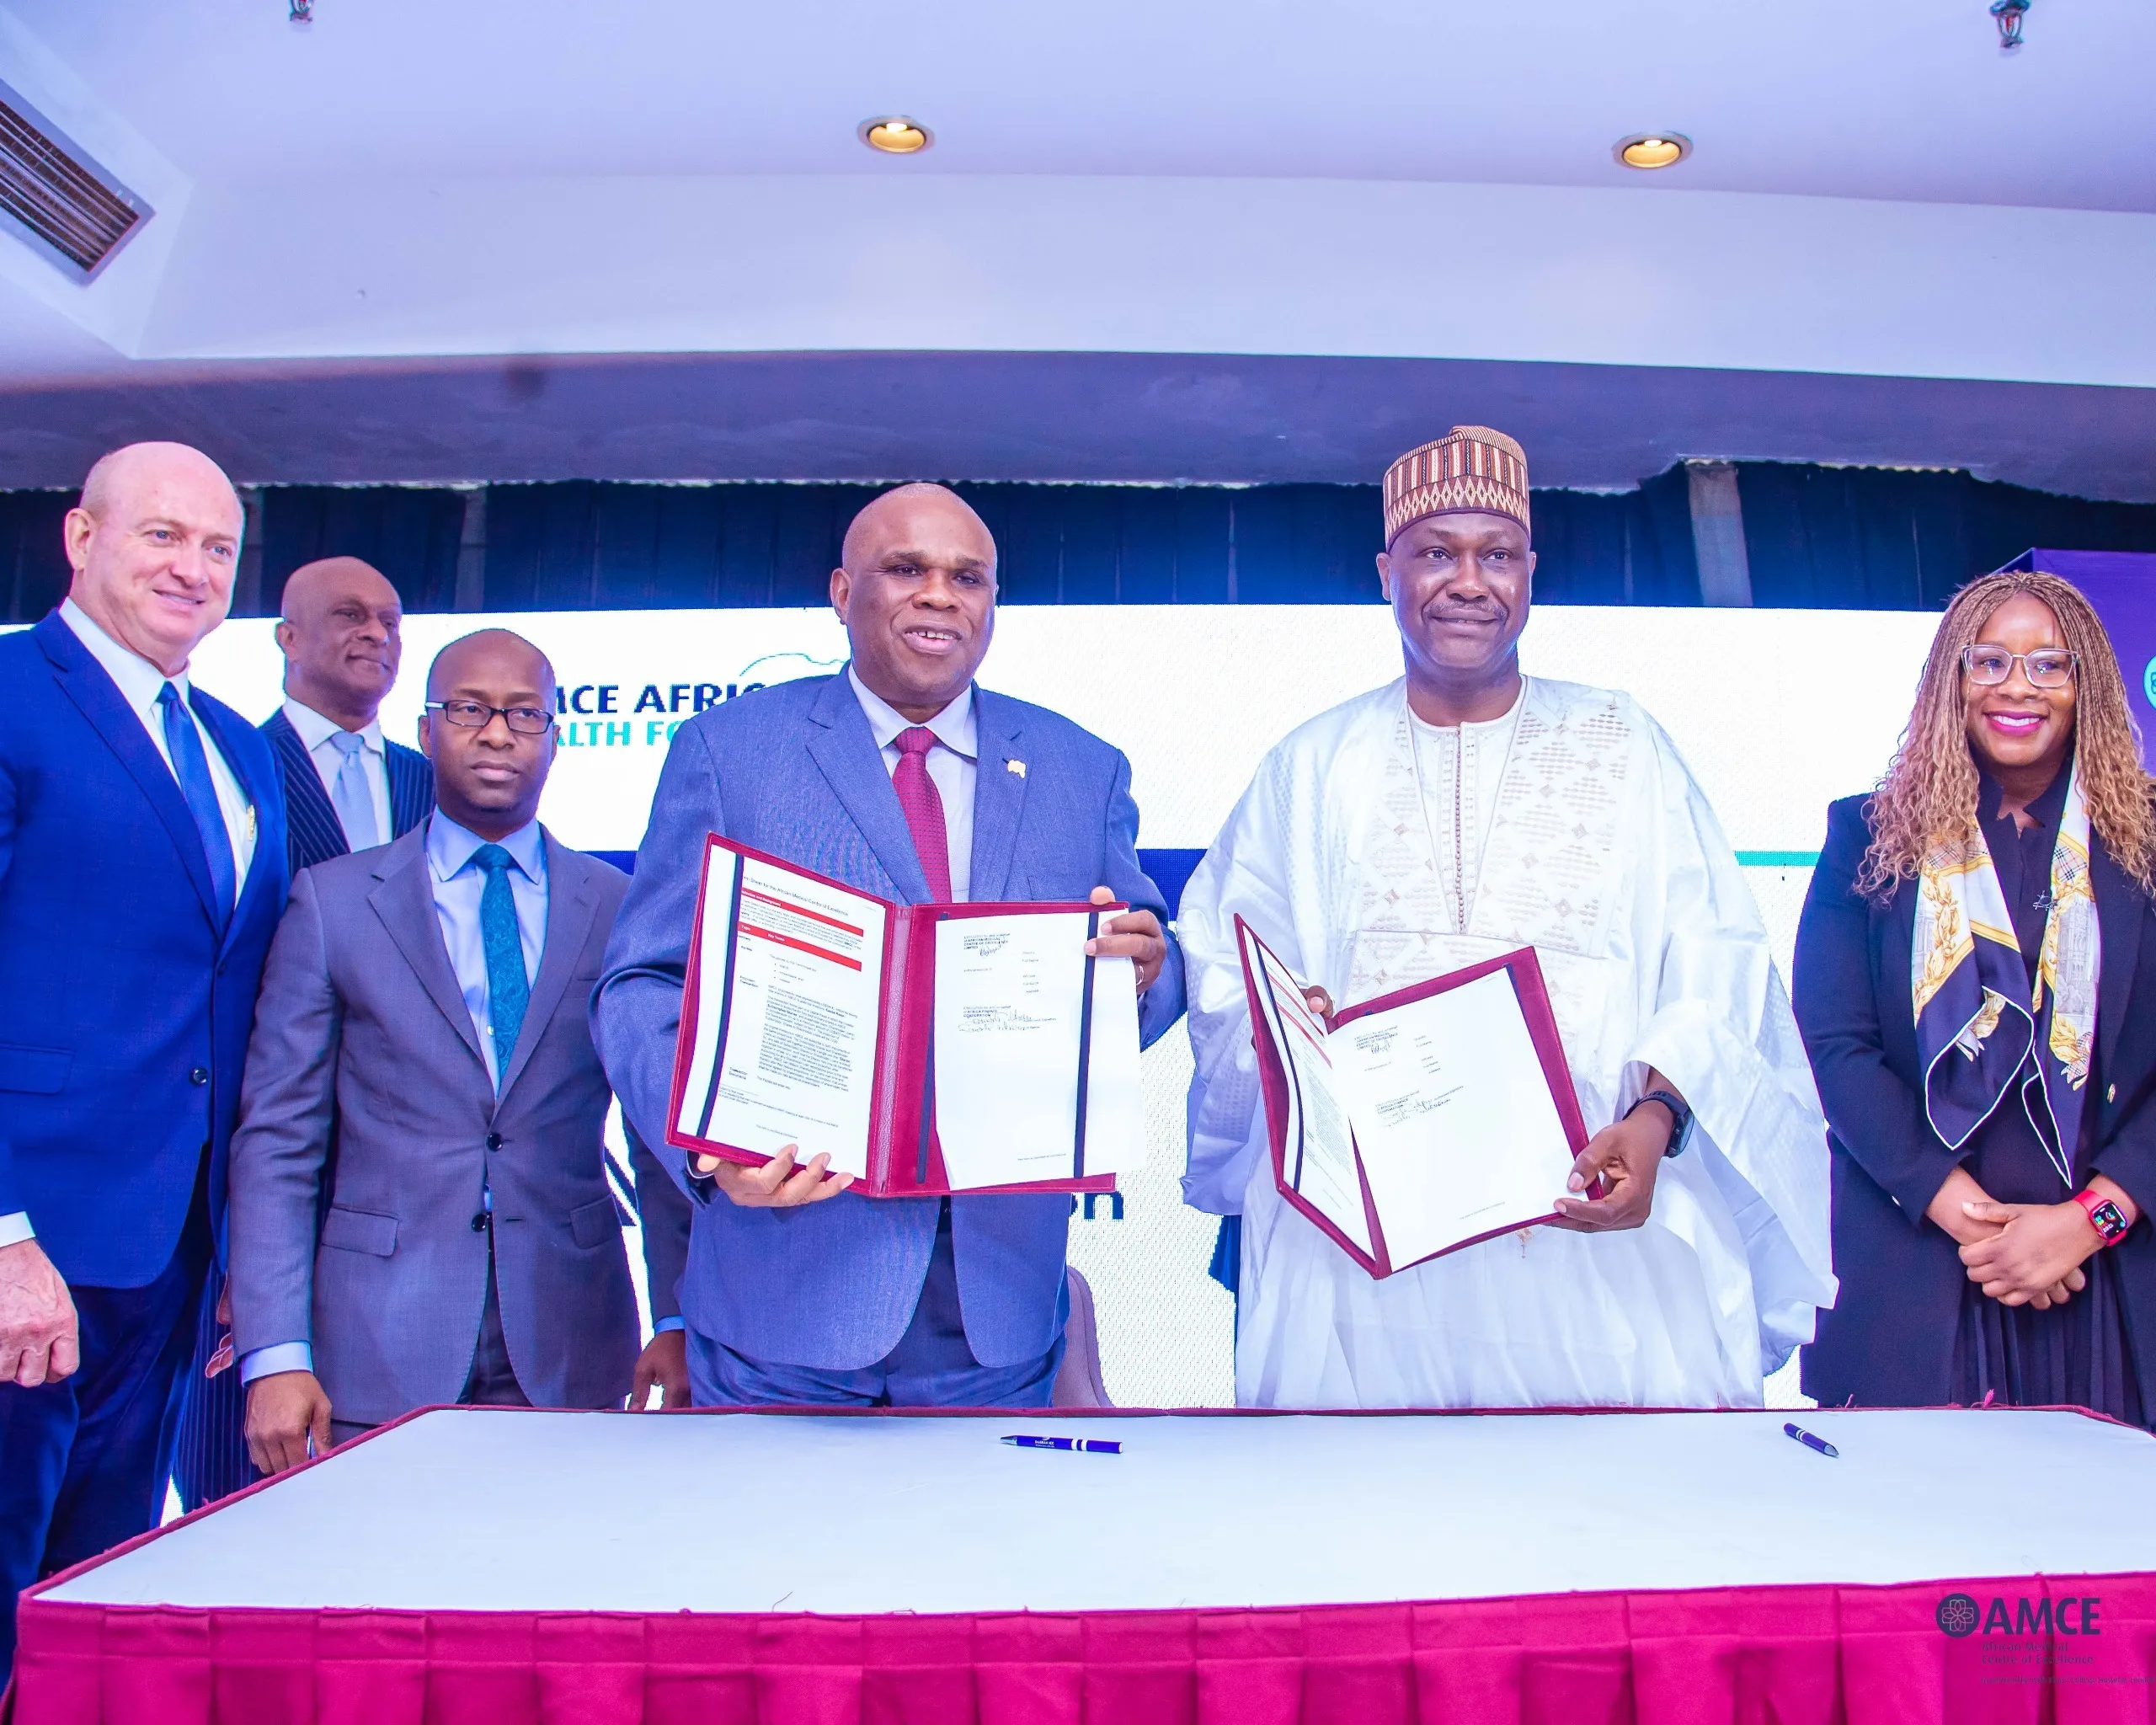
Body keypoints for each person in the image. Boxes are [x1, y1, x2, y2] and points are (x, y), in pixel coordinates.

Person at [1179, 426, 1834, 1409]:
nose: (1466, 581)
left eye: (1495, 554)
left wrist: (1655, 1122)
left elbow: (1711, 958)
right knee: (1373, 1527)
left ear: (1532, 572)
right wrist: (1290, 1026)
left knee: (1611, 1528)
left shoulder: (1623, 741)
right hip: (1368, 1256)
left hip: (1590, 1224)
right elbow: (1227, 966)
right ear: (1385, 571)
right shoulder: (1313, 763)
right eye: (1435, 552)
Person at [595, 482, 1184, 1407]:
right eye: (905, 569)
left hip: (999, 1311)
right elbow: (641, 984)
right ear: (840, 591)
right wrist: (712, 1149)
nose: (940, 595)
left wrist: (1146, 969)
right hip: (781, 1302)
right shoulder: (728, 749)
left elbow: (1150, 961)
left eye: (968, 576)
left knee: (991, 1558)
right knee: (766, 1559)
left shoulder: (1082, 764)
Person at [228, 629, 691, 1467]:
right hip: (372, 1342)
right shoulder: (333, 904)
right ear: (426, 728)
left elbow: (656, 1135)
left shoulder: (621, 904)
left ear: (556, 736)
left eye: (524, 713)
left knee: (557, 1592)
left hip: (572, 1336)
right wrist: (276, 1351)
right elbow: (278, 1142)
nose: (497, 732)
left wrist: (676, 1314)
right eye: (470, 708)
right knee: (379, 1593)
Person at [0, 443, 289, 1673]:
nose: (194, 567)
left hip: (171, 1251)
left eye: (218, 548)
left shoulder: (237, 743)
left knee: (96, 1586)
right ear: (80, 539)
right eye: (163, 535)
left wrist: (234, 1241)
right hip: (31, 1245)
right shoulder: (11, 692)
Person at [1794, 570, 2156, 1422]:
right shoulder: (1868, 836)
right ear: (1948, 681)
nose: (2016, 687)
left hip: (2111, 1274)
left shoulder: (2147, 846)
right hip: (1922, 1263)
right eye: (1987, 662)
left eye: (2047, 664)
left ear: (2088, 685)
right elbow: (1836, 1047)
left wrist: (2087, 1221)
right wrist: (1967, 1216)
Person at [173, 556, 438, 1509]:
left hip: (403, 1165)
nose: (375, 633)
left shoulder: (432, 777)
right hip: (261, 1134)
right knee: (238, 1460)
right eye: (347, 615)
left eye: (391, 618)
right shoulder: (233, 764)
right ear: (285, 637)